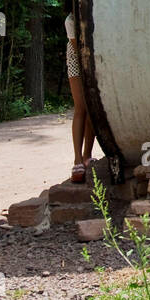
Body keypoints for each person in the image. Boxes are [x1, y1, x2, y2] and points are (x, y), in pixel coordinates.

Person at [66, 12, 98, 182]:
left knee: (92, 108)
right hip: (78, 60)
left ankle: (87, 155)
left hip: (93, 58)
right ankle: (78, 158)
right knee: (81, 107)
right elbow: (77, 49)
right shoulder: (71, 20)